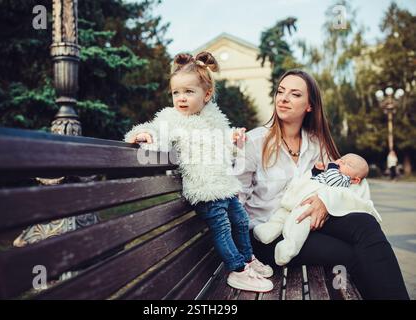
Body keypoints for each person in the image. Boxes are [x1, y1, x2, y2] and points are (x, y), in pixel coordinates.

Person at [234, 69, 409, 299]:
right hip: (267, 236)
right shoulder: (255, 142)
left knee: (365, 224)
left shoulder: (317, 144)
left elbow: (340, 184)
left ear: (310, 106)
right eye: (280, 91)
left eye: (295, 94)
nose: (283, 98)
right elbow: (235, 201)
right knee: (349, 256)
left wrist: (325, 202)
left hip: (308, 222)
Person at [125, 52, 273, 292]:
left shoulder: (213, 118)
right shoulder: (172, 119)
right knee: (223, 226)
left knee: (241, 220)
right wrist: (145, 134)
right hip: (203, 189)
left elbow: (226, 144)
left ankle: (247, 259)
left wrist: (234, 138)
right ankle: (237, 270)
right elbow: (157, 130)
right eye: (176, 93)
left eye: (188, 92)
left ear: (206, 94)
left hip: (224, 185)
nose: (181, 98)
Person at [253, 153, 382, 266]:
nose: (341, 162)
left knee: (298, 223)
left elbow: (332, 180)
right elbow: (312, 179)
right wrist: (315, 171)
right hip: (294, 202)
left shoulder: (344, 179)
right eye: (341, 159)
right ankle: (268, 230)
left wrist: (332, 167)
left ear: (355, 179)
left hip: (308, 207)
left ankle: (289, 246)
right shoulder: (333, 172)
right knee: (281, 215)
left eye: (348, 164)